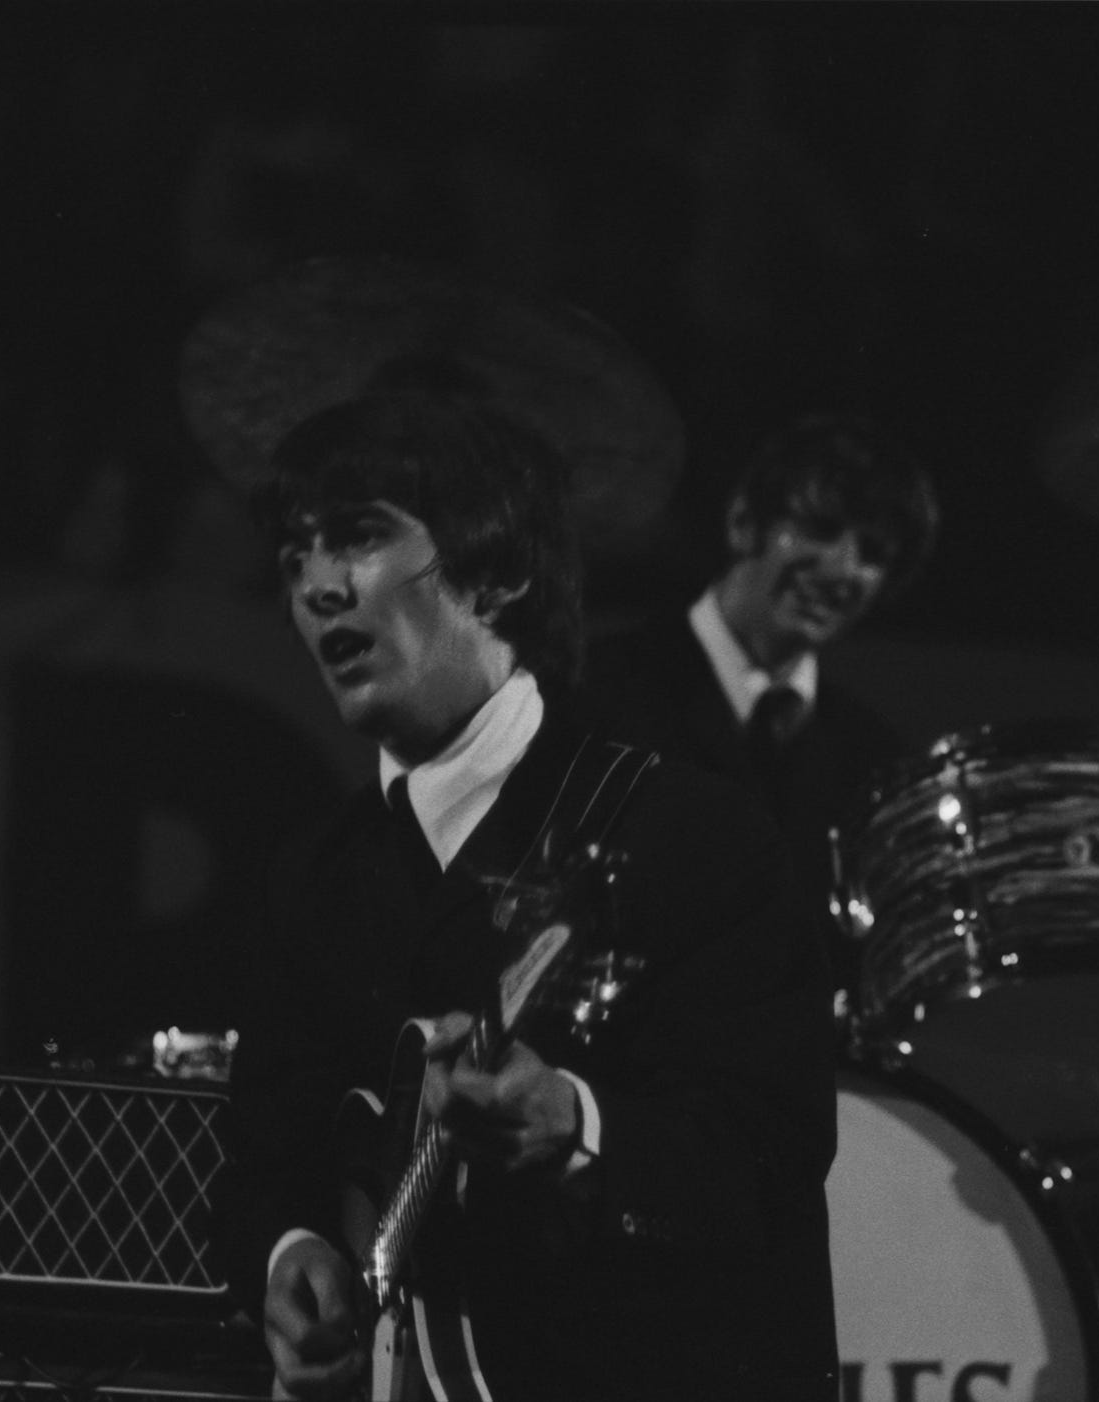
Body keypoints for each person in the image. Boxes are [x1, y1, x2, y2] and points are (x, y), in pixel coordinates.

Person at [210, 391, 839, 1402]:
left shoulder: (687, 831)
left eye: (360, 538)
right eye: (296, 556)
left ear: (496, 573)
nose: (318, 585)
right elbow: (260, 1159)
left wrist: (578, 1122)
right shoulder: (310, 877)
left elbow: (768, 1158)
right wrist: (291, 1258)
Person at [578, 413, 940, 989]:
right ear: (744, 522)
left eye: (873, 551)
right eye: (820, 529)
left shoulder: (875, 760)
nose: (844, 569)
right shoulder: (593, 684)